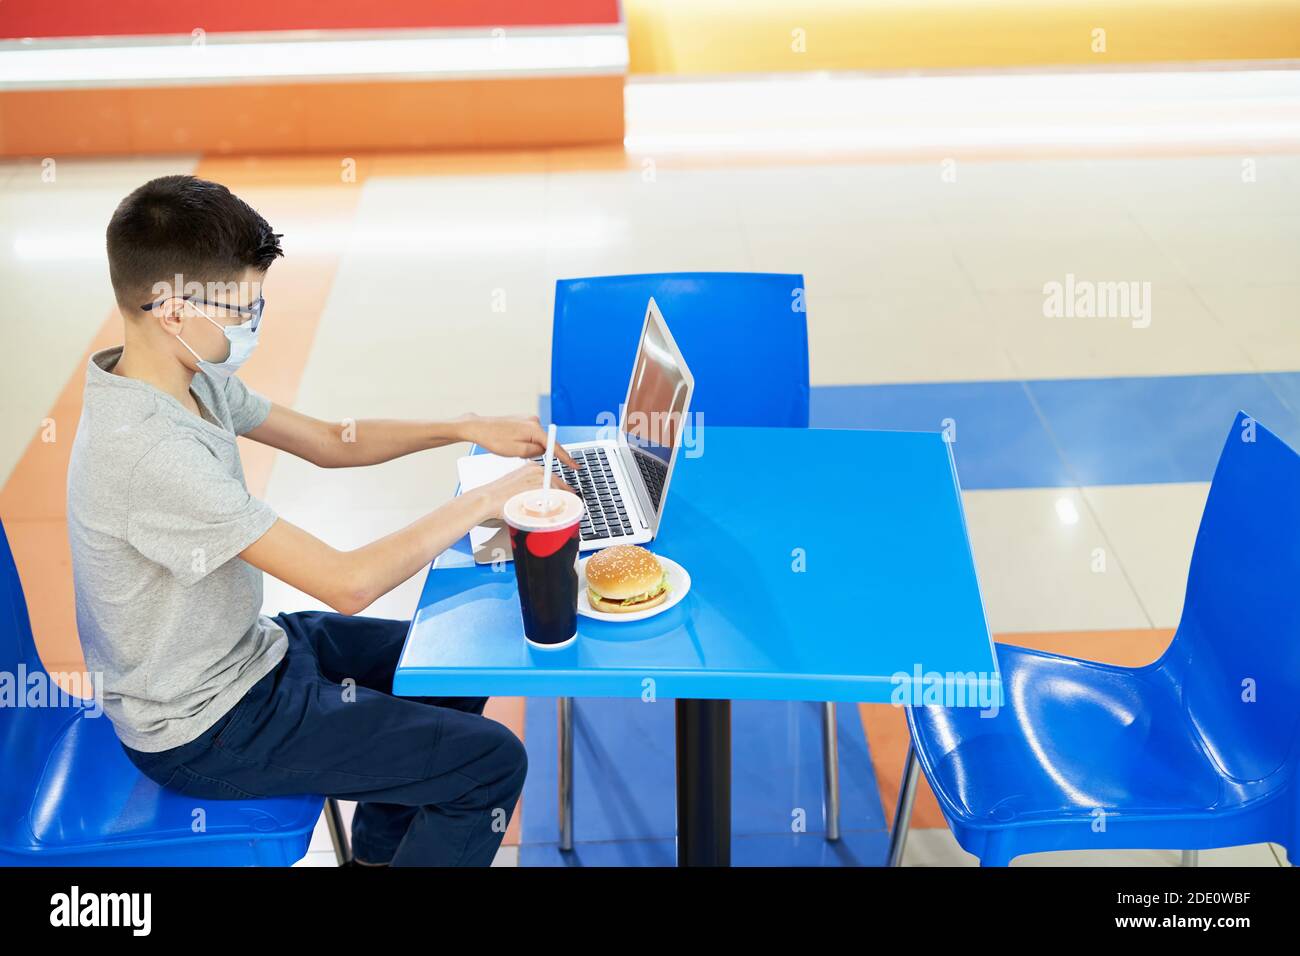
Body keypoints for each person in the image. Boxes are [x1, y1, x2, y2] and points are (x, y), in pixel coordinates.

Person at [66, 174, 577, 866]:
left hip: (250, 656)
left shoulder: (186, 374)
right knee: (490, 764)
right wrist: (484, 501)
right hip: (208, 726)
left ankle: (375, 852)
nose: (253, 322)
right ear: (174, 310)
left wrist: (464, 427)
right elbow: (348, 583)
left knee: (454, 664)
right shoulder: (149, 451)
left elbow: (329, 441)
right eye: (243, 308)